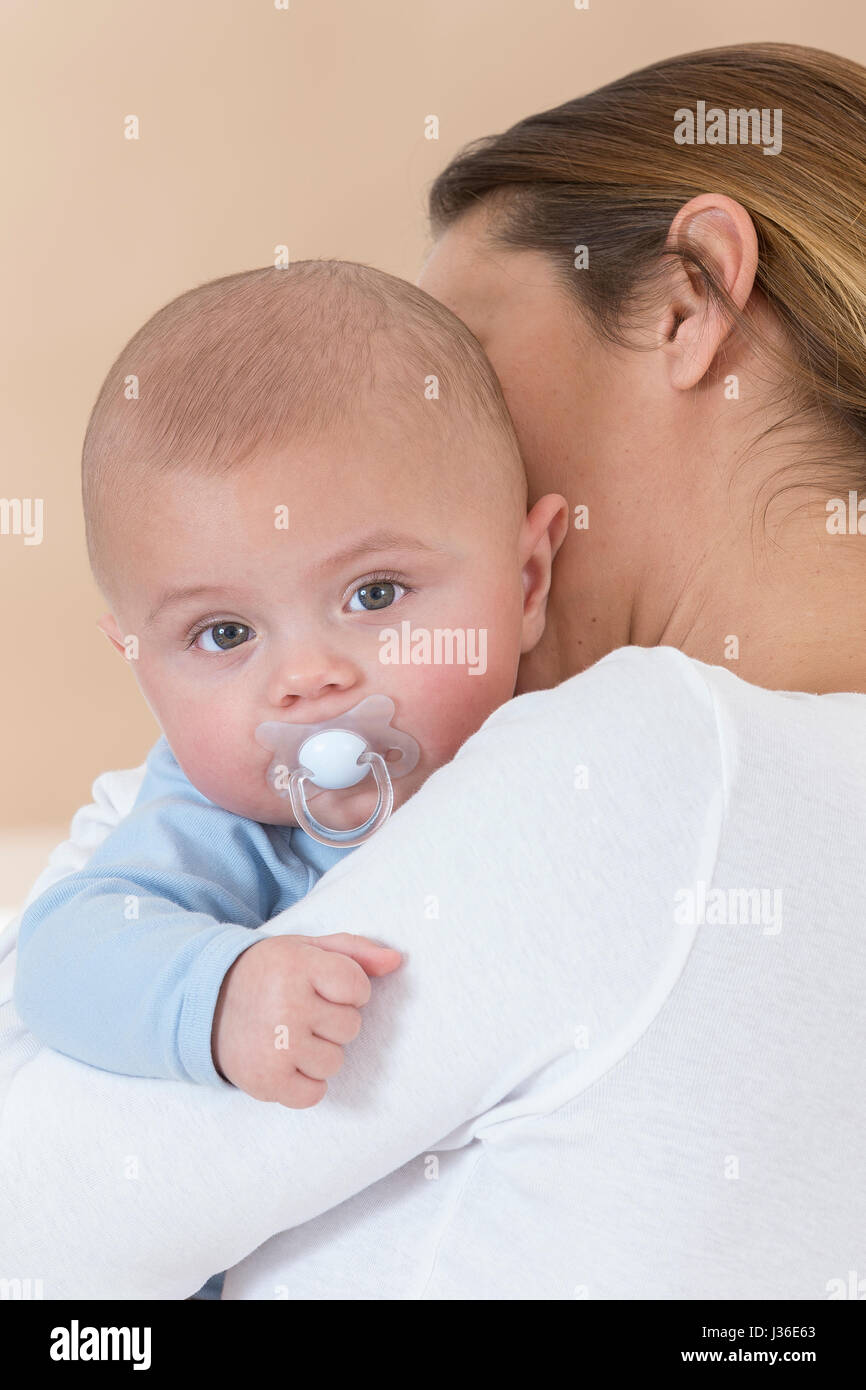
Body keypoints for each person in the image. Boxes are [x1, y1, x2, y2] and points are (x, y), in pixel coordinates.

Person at [1, 40, 865, 1300]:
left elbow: (30, 1224)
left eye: (450, 351)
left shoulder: (644, 760)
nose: (401, 430)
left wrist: (108, 848)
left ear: (689, 300)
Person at [12, 259, 566, 1105]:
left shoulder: (580, 732)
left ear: (526, 582)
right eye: (224, 633)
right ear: (137, 664)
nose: (307, 679)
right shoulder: (223, 824)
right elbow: (60, 960)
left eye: (374, 594)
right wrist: (226, 991)